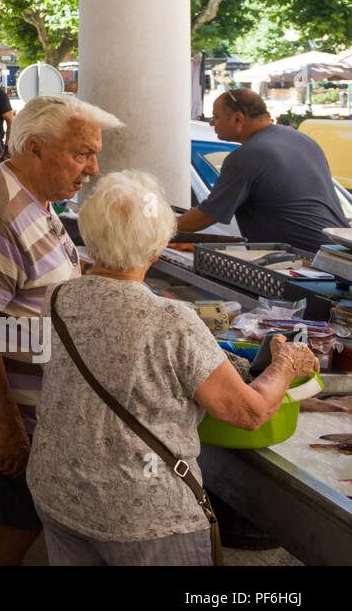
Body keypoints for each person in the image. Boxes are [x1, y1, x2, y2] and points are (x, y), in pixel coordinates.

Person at [28, 171, 317, 565]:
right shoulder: (171, 320)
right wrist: (285, 364)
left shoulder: (59, 296)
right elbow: (250, 412)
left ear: (90, 237)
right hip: (142, 512)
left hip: (58, 490)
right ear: (157, 247)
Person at [0, 94, 122, 565]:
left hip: (10, 397)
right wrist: (10, 428)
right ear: (34, 148)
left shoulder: (29, 192)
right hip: (1, 402)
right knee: (14, 523)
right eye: (81, 154)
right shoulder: (3, 216)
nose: (93, 168)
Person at [176, 88, 346, 251]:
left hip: (306, 262)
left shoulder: (246, 156)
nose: (212, 122)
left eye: (216, 116)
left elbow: (206, 216)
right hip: (339, 252)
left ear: (238, 119)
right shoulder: (302, 139)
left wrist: (160, 229)